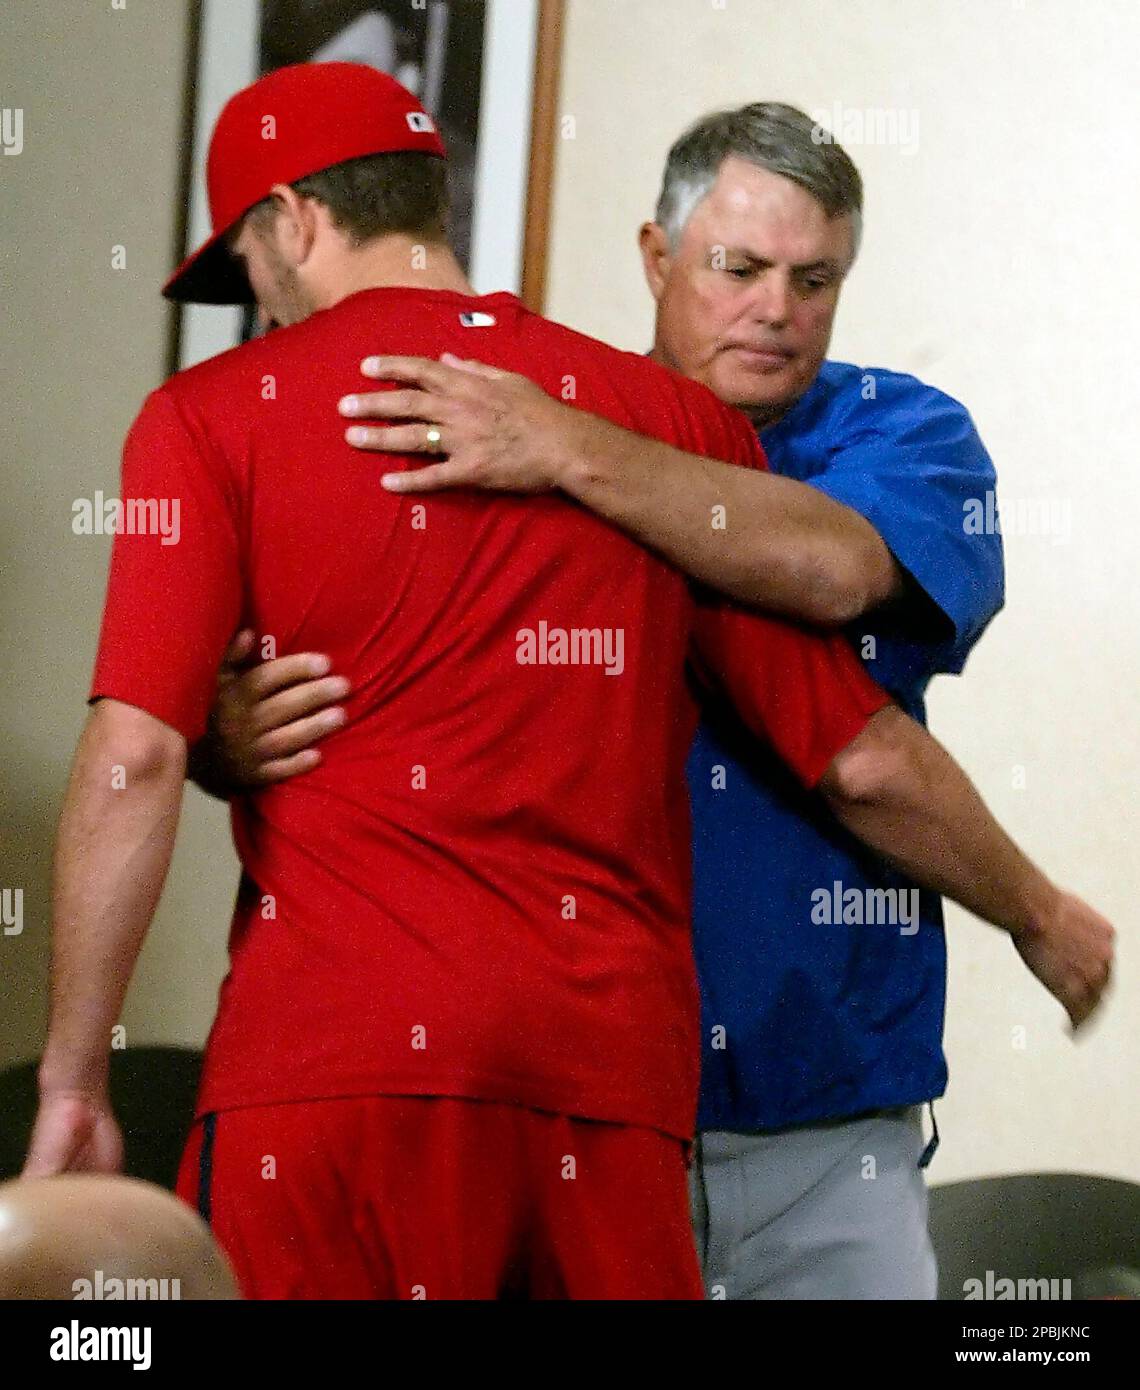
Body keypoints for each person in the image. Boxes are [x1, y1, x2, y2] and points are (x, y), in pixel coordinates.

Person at [24, 67, 1112, 1301]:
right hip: (607, 1093)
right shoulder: (667, 426)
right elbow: (848, 746)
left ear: (297, 220)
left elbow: (136, 756)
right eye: (738, 270)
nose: (261, 307)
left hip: (331, 1072)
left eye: (249, 267)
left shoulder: (209, 416)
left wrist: (74, 1081)